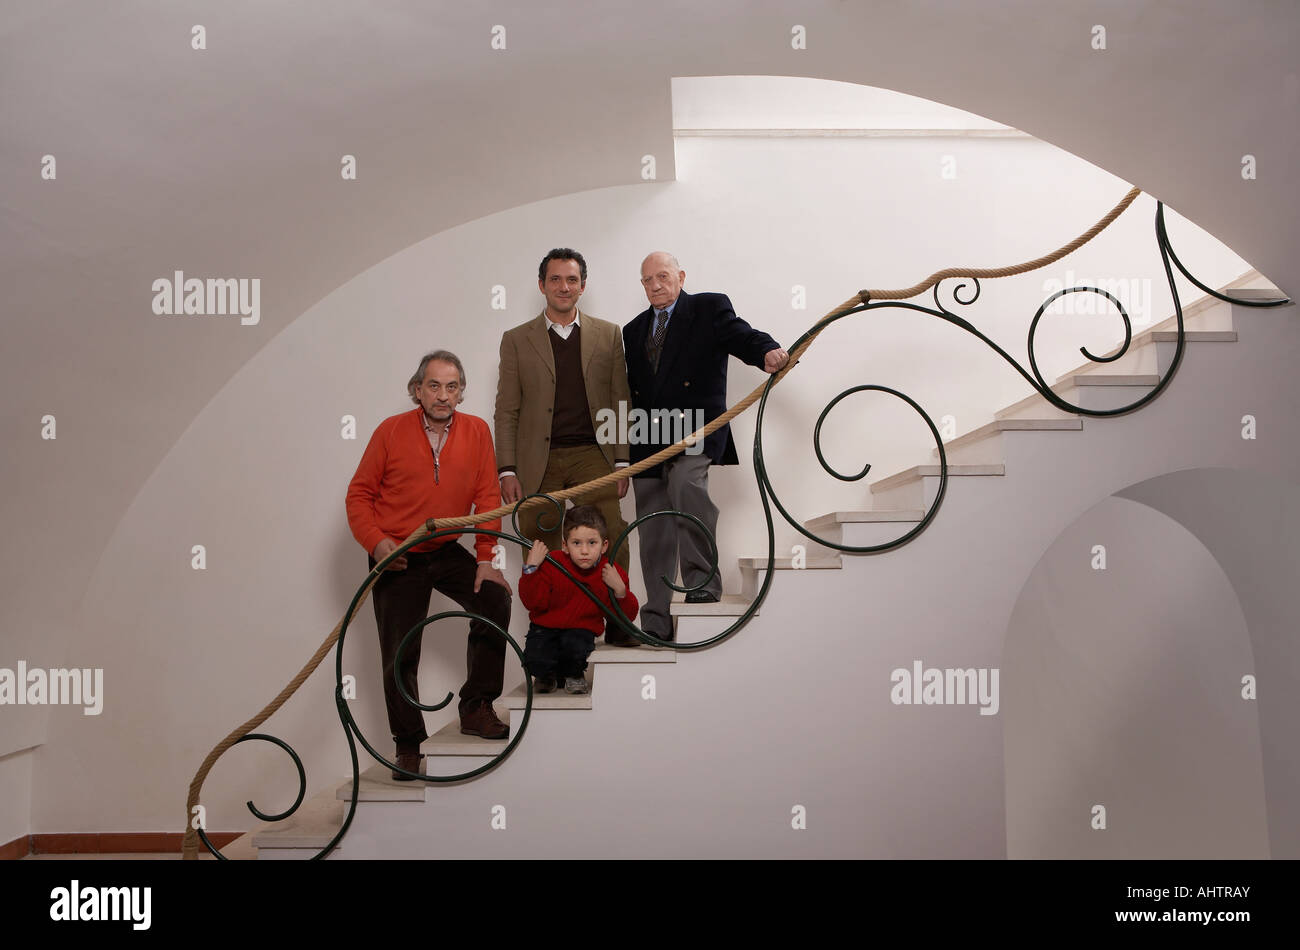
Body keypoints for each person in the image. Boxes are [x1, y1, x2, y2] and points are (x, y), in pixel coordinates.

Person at [346, 350, 513, 781]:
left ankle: (476, 707)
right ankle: (407, 746)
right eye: (434, 386)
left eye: (452, 386)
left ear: (461, 391)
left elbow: (488, 499)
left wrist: (484, 560)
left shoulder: (476, 431)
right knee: (400, 650)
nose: (443, 395)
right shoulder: (390, 431)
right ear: (416, 389)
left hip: (444, 547)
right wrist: (376, 543)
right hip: (397, 554)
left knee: (493, 599)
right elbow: (359, 496)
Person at [623, 252, 790, 641]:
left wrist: (766, 349)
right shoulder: (632, 330)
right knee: (652, 526)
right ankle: (656, 618)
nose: (655, 285)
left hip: (696, 430)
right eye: (647, 280)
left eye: (662, 276)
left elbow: (741, 334)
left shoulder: (708, 307)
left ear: (681, 276)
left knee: (687, 486)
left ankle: (701, 583)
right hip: (647, 438)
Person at [495, 247, 639, 645]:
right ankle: (551, 634)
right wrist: (507, 469)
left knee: (611, 531)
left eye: (571, 279)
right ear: (542, 285)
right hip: (537, 461)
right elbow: (506, 409)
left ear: (583, 286)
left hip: (594, 454)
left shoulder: (608, 334)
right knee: (542, 542)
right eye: (555, 279)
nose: (564, 286)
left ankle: (618, 624)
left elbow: (619, 400)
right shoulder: (516, 340)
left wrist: (622, 459)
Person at [519, 505, 639, 695]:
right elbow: (532, 602)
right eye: (577, 543)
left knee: (576, 647)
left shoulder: (610, 571)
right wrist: (531, 567)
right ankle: (546, 675)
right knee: (536, 656)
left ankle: (573, 674)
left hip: (580, 629)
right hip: (545, 627)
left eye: (592, 543)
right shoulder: (552, 562)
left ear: (604, 545)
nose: (585, 551)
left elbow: (628, 616)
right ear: (565, 545)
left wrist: (620, 589)